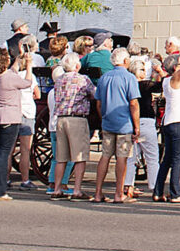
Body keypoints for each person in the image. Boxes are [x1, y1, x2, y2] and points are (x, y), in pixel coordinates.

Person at [153, 31, 180, 203]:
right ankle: (175, 193)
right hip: (178, 122)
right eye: (179, 64)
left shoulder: (166, 80)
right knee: (177, 159)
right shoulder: (175, 79)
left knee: (167, 159)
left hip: (169, 121)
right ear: (174, 67)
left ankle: (158, 191)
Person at [92, 46, 141, 204]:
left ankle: (98, 192)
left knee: (105, 156)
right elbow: (133, 103)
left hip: (108, 122)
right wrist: (137, 126)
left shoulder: (104, 78)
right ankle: (119, 193)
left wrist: (103, 118)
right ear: (125, 60)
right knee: (122, 158)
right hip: (124, 123)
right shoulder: (129, 78)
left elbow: (99, 103)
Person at [0, 47, 31, 201]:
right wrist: (29, 65)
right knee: (4, 153)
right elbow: (27, 82)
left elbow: (13, 70)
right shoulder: (10, 77)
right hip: (9, 117)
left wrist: (18, 59)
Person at [49, 52, 96, 199]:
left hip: (61, 118)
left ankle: (57, 189)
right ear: (77, 65)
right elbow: (94, 94)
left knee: (61, 157)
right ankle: (77, 190)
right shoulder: (83, 79)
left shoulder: (59, 80)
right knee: (79, 156)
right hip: (77, 118)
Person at [123, 55, 161, 199]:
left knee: (131, 157)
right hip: (146, 122)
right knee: (152, 157)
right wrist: (159, 71)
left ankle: (128, 185)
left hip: (131, 122)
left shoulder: (128, 85)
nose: (145, 72)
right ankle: (155, 187)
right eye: (142, 70)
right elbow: (161, 85)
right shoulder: (145, 85)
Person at [9, 34, 43, 190]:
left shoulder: (13, 76)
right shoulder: (30, 77)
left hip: (14, 112)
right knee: (25, 150)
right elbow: (38, 94)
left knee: (9, 150)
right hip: (27, 112)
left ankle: (6, 178)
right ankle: (25, 180)